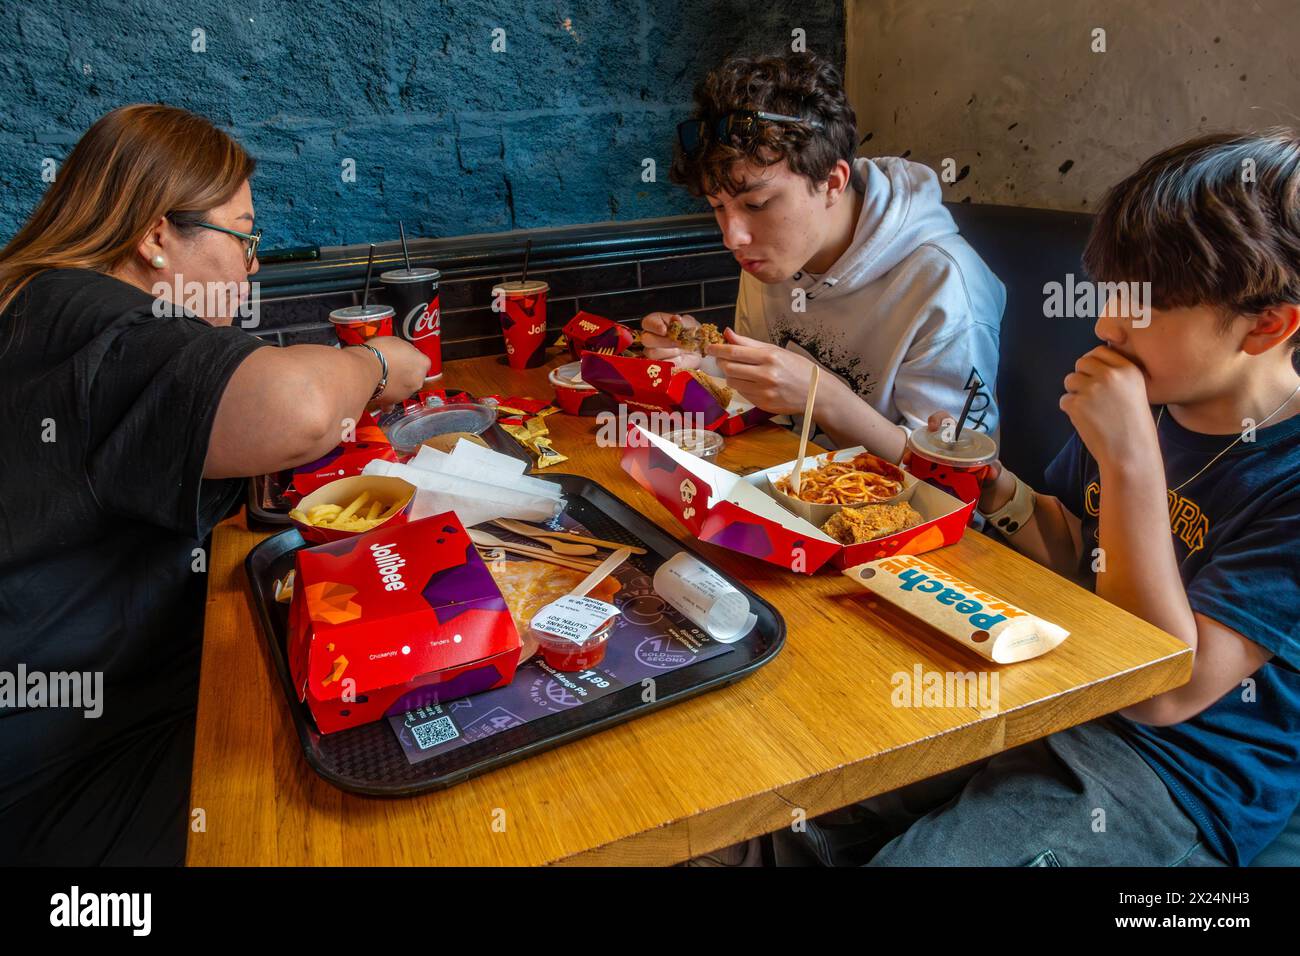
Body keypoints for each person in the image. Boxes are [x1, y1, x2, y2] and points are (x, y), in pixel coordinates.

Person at [781, 130, 1300, 867]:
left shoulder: (1280, 476)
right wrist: (998, 488)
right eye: (1113, 292)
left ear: (1268, 324)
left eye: (1143, 307)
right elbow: (1073, 544)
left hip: (1169, 772)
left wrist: (1130, 465)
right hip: (1050, 687)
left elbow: (1161, 693)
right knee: (794, 807)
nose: (1106, 326)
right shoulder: (1150, 393)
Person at [0, 104, 429, 864]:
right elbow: (296, 408)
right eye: (243, 237)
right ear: (157, 234)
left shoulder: (31, 299)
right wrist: (379, 366)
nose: (254, 265)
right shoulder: (88, 317)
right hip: (70, 777)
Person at [640, 52, 1005, 460]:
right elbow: (767, 400)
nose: (733, 237)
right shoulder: (769, 254)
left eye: (757, 204)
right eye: (717, 206)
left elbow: (954, 482)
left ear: (832, 182)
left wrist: (823, 396)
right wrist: (705, 361)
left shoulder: (944, 283)